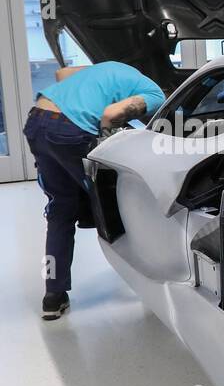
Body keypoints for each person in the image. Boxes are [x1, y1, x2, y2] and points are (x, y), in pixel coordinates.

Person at [24, 61, 165, 320]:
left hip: (37, 121)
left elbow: (61, 74)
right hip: (69, 132)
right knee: (120, 205)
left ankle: (53, 296)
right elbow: (111, 114)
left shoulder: (110, 67)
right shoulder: (156, 94)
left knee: (60, 211)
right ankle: (146, 283)